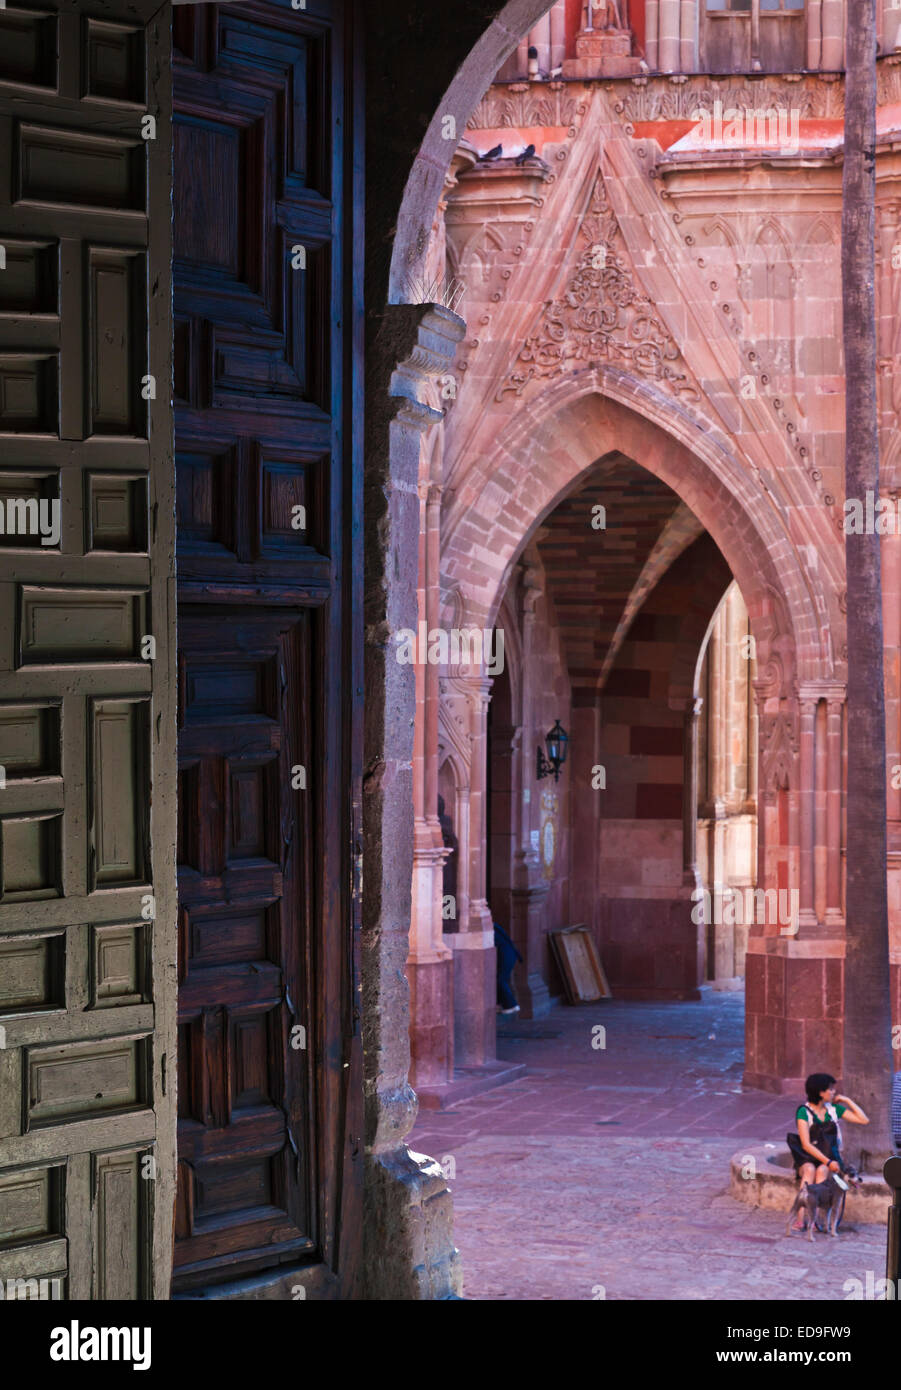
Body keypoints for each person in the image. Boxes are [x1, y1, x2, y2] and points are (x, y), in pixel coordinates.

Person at [786, 1072, 869, 1230]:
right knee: (810, 1170)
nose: (833, 1092)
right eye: (830, 1089)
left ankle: (814, 1221)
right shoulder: (803, 1111)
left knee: (822, 1171)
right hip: (808, 1157)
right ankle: (800, 1219)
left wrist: (847, 1100)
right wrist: (828, 1162)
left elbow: (863, 1120)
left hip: (829, 1155)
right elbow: (805, 1144)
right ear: (820, 1092)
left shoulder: (833, 1110)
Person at [494, 922, 523, 1015]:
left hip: (506, 955)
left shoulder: (490, 928)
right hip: (509, 954)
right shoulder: (493, 926)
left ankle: (511, 1005)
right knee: (499, 979)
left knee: (500, 980)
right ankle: (499, 1005)